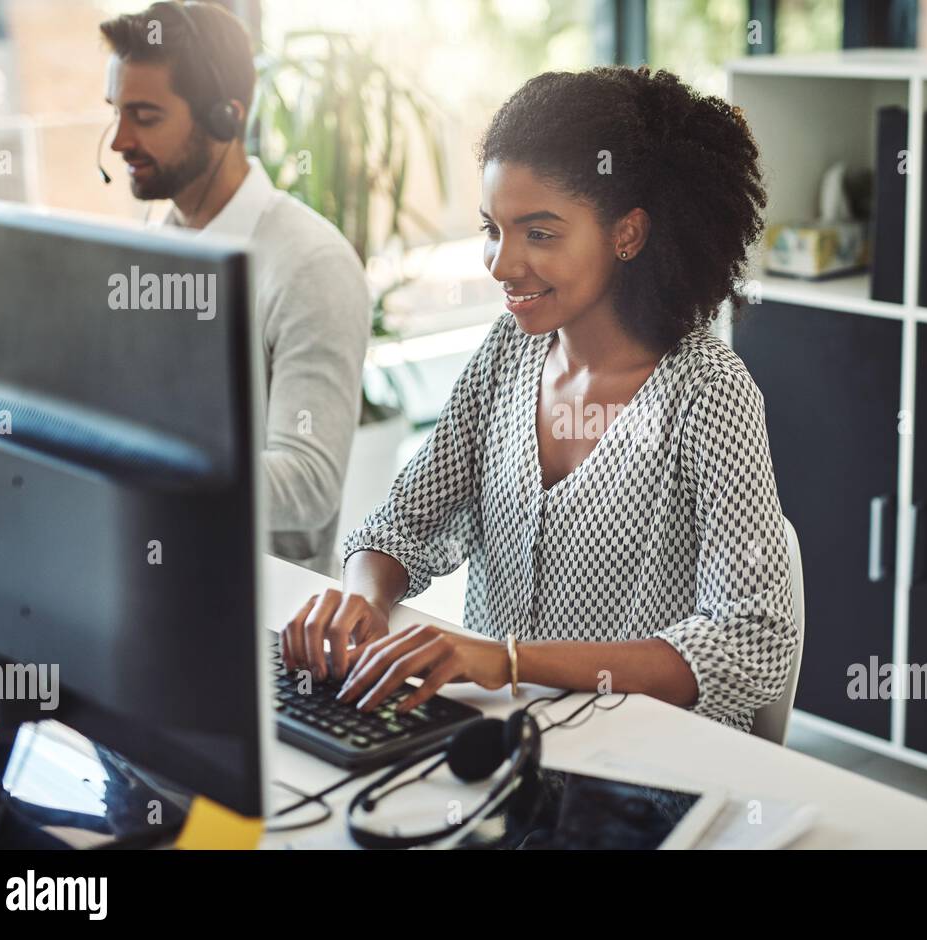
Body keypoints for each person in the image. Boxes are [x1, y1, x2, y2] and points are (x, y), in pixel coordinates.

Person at [282, 66, 797, 734]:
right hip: (496, 751)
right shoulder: (511, 351)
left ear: (628, 234)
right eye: (493, 228)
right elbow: (401, 524)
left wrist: (510, 661)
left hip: (638, 780)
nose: (500, 264)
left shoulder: (707, 392)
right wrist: (360, 601)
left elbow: (752, 643)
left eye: (540, 233)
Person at [100, 1, 369, 574]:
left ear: (224, 117)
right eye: (116, 112)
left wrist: (138, 462)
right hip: (147, 565)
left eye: (144, 116)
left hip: (252, 603)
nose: (119, 140)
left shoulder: (310, 264)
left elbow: (309, 482)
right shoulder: (155, 244)